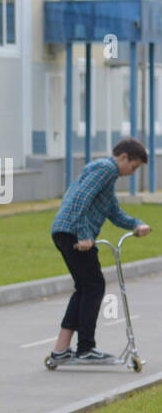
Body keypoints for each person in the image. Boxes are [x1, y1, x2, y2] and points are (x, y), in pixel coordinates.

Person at [49, 138, 152, 363]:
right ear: (123, 157)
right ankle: (86, 348)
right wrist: (84, 235)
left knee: (86, 288)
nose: (132, 173)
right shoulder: (105, 169)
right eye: (133, 167)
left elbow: (113, 211)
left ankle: (60, 350)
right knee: (94, 286)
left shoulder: (107, 177)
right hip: (73, 233)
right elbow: (80, 201)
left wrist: (136, 224)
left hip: (67, 232)